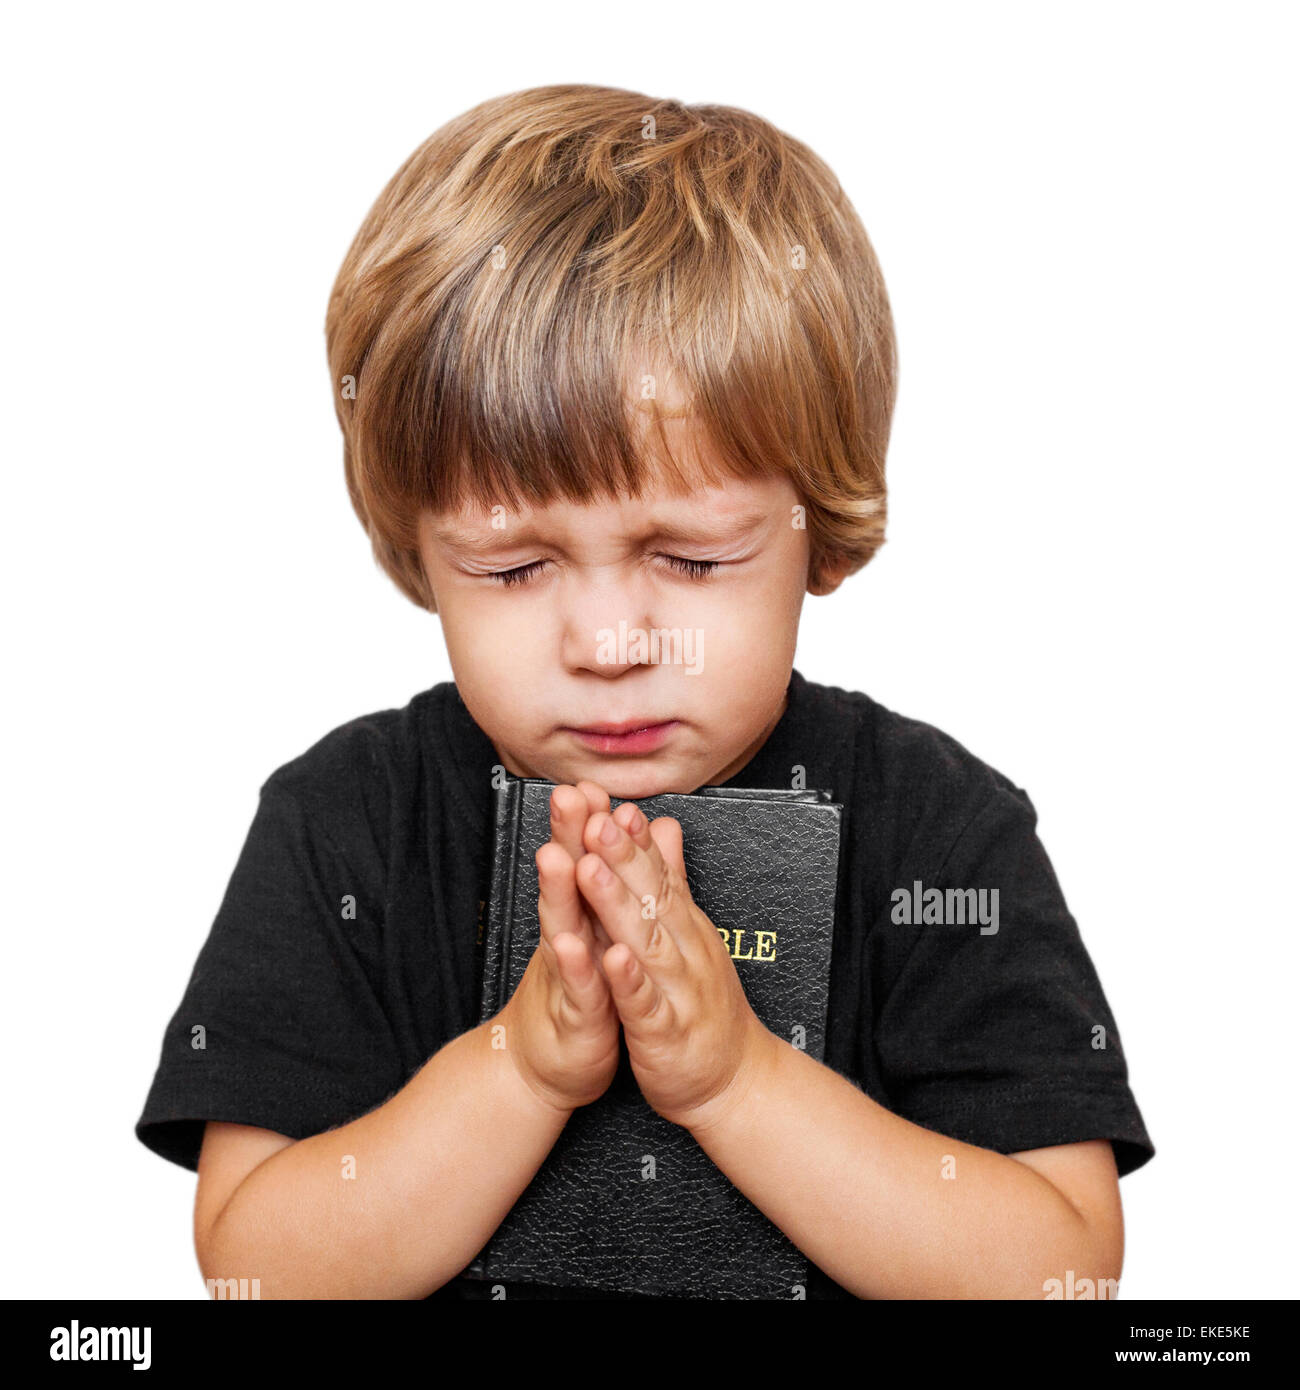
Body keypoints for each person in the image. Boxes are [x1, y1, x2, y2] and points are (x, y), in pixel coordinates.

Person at [136, 83, 1153, 1300]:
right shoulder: (348, 822)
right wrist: (521, 1068)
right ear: (421, 553)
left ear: (814, 528)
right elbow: (257, 1271)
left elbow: (1061, 1273)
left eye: (689, 559)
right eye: (514, 567)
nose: (612, 641)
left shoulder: (939, 824)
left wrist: (737, 1082)